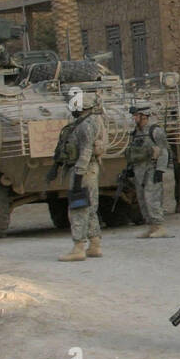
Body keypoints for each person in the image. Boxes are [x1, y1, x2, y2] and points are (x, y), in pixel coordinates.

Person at [57, 86, 107, 262]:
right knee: (91, 208)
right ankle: (95, 244)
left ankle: (78, 247)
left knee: (78, 207)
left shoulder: (86, 124)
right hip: (89, 169)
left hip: (83, 170)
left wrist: (78, 175)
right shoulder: (92, 121)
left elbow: (85, 150)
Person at [126, 101, 173, 238]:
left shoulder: (155, 131)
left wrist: (160, 170)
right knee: (142, 199)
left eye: (136, 115)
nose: (134, 118)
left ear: (143, 116)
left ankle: (159, 226)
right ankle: (151, 227)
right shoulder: (136, 132)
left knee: (152, 198)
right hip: (138, 171)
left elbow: (164, 151)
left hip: (151, 170)